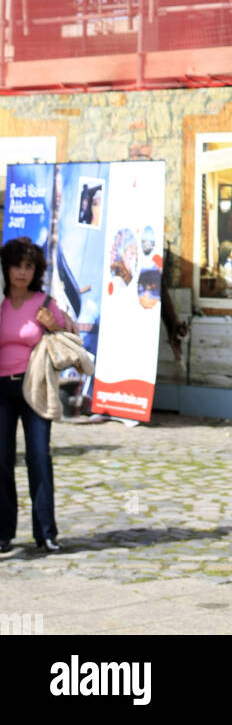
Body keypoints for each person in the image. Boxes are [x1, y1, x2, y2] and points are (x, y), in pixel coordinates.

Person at [0, 236, 78, 554]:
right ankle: (3, 533)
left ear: (37, 271)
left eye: (29, 266)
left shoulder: (43, 303)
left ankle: (45, 533)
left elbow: (72, 334)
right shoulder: (0, 303)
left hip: (34, 387)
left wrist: (54, 323)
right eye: (17, 265)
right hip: (1, 390)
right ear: (6, 268)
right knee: (2, 462)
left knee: (39, 458)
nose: (22, 272)